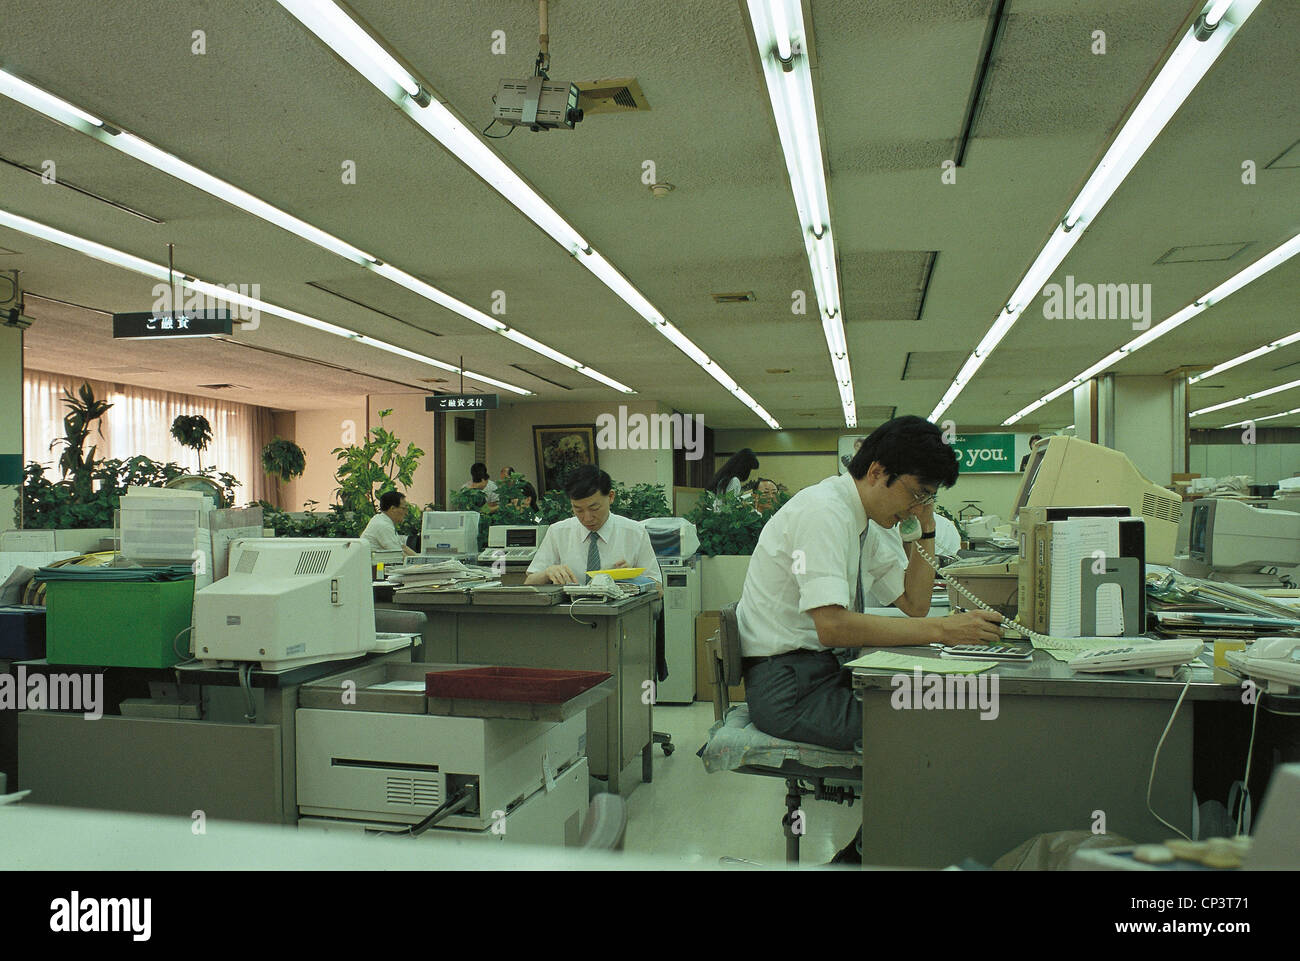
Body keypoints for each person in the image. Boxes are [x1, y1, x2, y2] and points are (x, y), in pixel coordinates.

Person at [735, 415, 1002, 863]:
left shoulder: (864, 517)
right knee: (928, 732)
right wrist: (944, 629)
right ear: (877, 472)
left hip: (818, 674)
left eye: (928, 497)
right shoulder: (825, 512)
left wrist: (927, 523)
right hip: (787, 688)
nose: (916, 504)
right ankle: (863, 857)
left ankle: (872, 851)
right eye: (917, 493)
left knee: (938, 709)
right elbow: (833, 626)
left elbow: (914, 603)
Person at [524, 465, 661, 592]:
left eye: (594, 508)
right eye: (578, 510)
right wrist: (547, 573)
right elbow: (528, 583)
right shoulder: (558, 532)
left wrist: (633, 579)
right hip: (568, 614)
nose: (587, 518)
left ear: (611, 497)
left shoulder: (635, 532)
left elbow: (659, 589)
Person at [360, 490, 416, 556]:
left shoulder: (382, 519)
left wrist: (420, 558)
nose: (406, 513)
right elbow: (399, 555)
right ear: (393, 509)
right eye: (404, 509)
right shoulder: (382, 525)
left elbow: (403, 547)